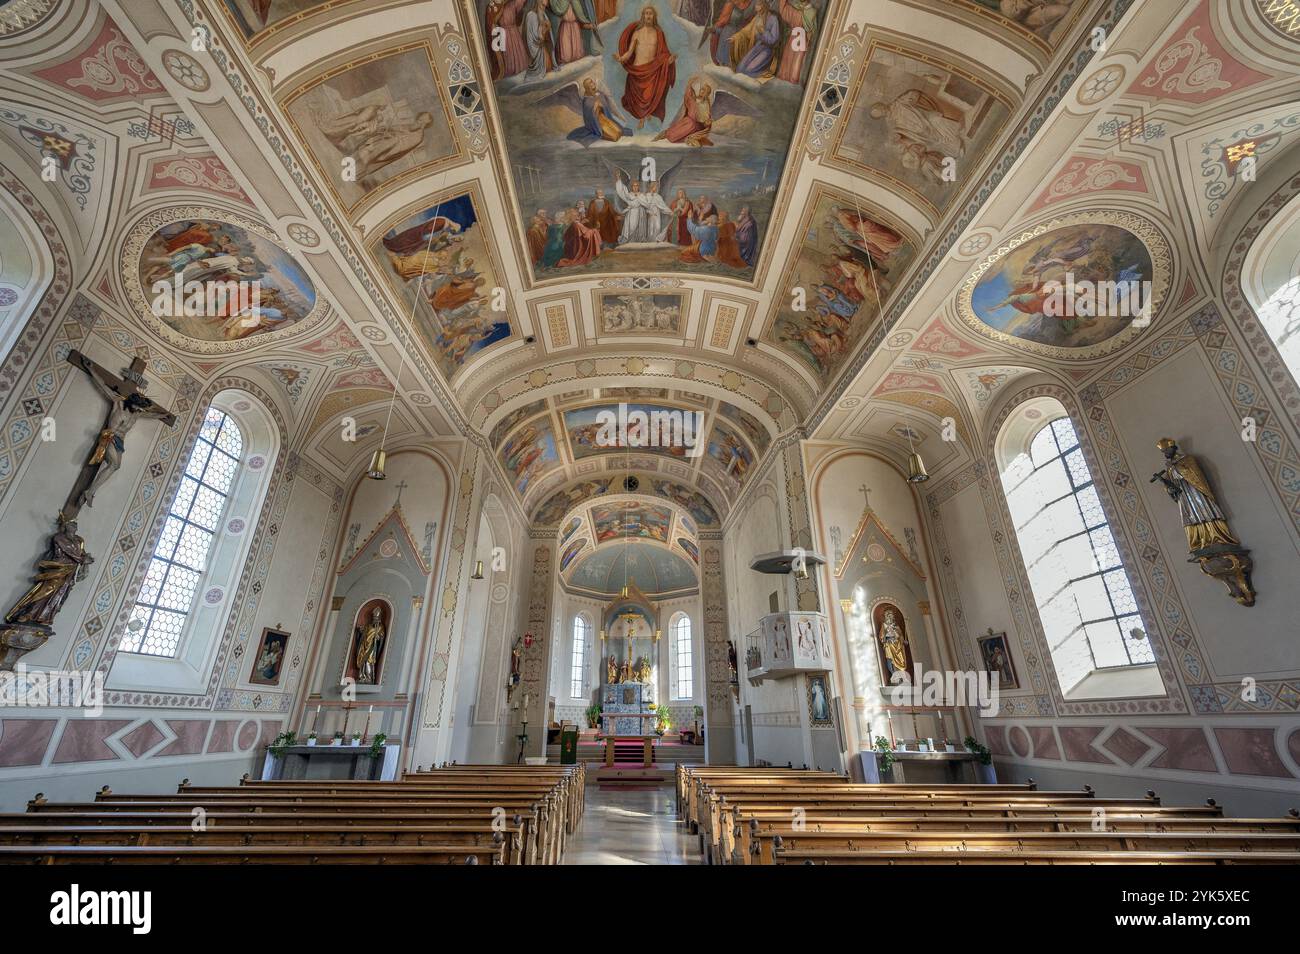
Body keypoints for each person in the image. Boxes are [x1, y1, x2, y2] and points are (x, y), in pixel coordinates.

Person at [616, 5, 677, 128]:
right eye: (646, 13)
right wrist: (621, 58)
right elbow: (629, 52)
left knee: (649, 95)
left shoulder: (659, 33)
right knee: (640, 98)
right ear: (643, 16)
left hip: (652, 72)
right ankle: (642, 117)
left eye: (650, 13)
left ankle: (648, 113)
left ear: (654, 16)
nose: (648, 16)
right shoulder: (637, 33)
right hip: (637, 71)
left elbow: (663, 54)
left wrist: (669, 61)